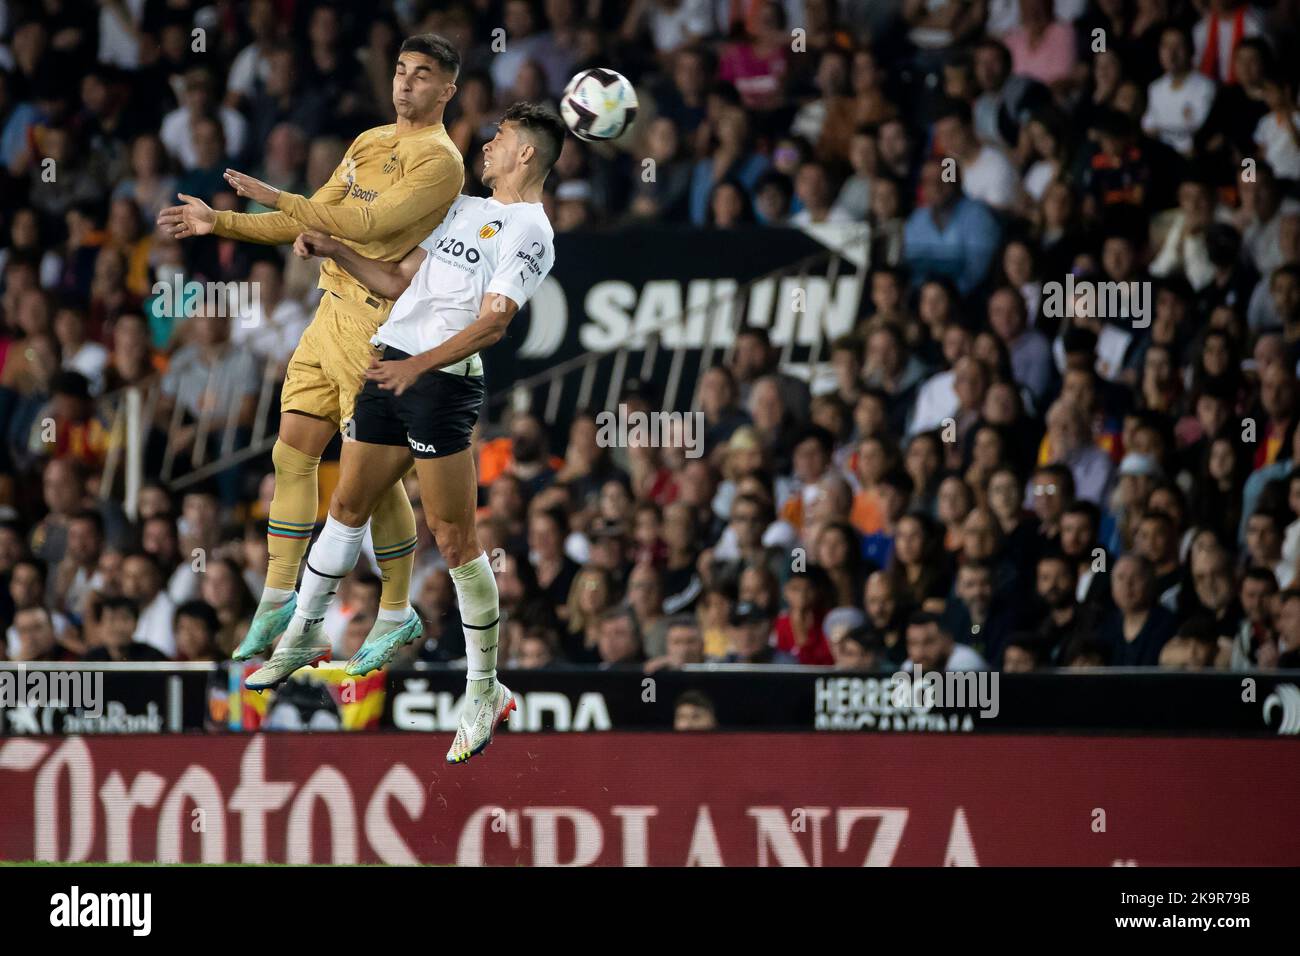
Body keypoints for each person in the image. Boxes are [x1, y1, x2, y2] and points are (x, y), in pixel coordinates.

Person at [248, 103, 563, 767]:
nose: (488, 142)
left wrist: (420, 364)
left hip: (441, 385)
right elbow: (396, 280)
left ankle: (485, 688)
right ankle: (304, 633)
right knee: (346, 506)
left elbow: (494, 323)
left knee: (452, 537)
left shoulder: (530, 230)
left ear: (527, 153)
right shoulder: (461, 208)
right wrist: (335, 247)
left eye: (500, 136)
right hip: (390, 365)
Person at [156, 34, 466, 665]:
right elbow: (316, 216)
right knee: (290, 453)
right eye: (401, 70)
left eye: (423, 74)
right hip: (326, 318)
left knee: (372, 487)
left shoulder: (442, 162)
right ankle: (276, 600)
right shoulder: (368, 140)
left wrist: (273, 196)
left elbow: (365, 225)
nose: (405, 83)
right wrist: (225, 224)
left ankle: (397, 611)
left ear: (447, 91)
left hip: (379, 330)